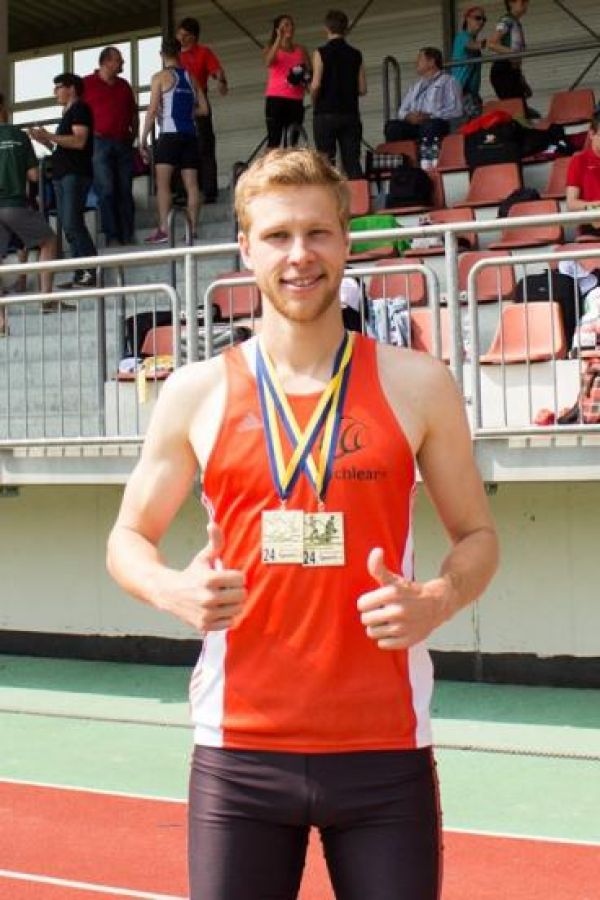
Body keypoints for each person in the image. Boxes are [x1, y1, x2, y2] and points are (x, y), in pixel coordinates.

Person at [107, 147, 499, 900]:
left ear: (347, 243)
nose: (300, 256)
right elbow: (127, 539)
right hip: (240, 756)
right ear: (245, 248)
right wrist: (170, 590)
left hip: (385, 752)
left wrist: (440, 599)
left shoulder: (419, 383)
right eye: (279, 236)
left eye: (318, 234)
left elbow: (478, 538)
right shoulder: (194, 393)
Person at [29, 73, 97, 289]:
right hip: (63, 175)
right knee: (68, 225)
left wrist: (49, 136)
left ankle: (89, 270)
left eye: (59, 87)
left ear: (72, 89)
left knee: (72, 223)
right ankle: (81, 273)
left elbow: (79, 141)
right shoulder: (68, 112)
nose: (55, 92)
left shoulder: (79, 109)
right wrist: (45, 141)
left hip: (74, 175)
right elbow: (63, 146)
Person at [140, 37, 208, 245]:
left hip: (169, 134)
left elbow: (152, 111)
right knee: (192, 185)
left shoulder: (160, 77)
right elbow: (204, 110)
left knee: (163, 184)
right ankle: (193, 229)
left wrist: (142, 139)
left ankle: (164, 229)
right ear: (180, 53)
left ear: (161, 55)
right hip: (190, 134)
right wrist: (187, 111)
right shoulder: (191, 77)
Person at [0, 93, 58, 330]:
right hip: (13, 204)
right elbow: (34, 175)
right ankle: (46, 299)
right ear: (2, 107)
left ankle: (1, 321)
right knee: (49, 241)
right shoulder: (17, 135)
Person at [83, 46, 138, 246]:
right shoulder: (86, 84)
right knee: (106, 189)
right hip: (98, 143)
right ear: (106, 62)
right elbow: (74, 111)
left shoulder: (124, 85)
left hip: (123, 142)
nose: (122, 63)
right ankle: (112, 236)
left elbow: (133, 113)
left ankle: (127, 234)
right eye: (119, 60)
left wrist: (134, 135)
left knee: (125, 189)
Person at [176, 16, 228, 204]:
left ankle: (209, 190)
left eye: (186, 36)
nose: (182, 39)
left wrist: (221, 80)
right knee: (181, 145)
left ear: (194, 37)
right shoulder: (175, 55)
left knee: (205, 144)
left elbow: (217, 71)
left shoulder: (203, 52)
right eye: (180, 35)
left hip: (199, 98)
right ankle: (183, 192)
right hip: (179, 100)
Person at [310, 9, 366, 179]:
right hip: (350, 113)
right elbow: (362, 88)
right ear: (346, 29)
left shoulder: (320, 53)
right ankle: (360, 202)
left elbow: (316, 84)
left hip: (325, 113)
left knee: (326, 163)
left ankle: (331, 203)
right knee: (352, 162)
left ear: (327, 28)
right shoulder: (356, 54)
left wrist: (315, 101)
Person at [384, 47, 463, 146]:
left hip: (436, 124)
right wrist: (408, 116)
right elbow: (402, 110)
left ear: (431, 62)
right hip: (415, 124)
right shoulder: (416, 86)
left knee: (429, 126)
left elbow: (456, 110)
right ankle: (399, 160)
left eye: (420, 59)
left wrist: (429, 116)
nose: (416, 62)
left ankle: (429, 160)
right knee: (392, 127)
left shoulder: (449, 81)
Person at [263, 14, 310, 149]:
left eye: (291, 24)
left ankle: (289, 168)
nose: (289, 27)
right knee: (274, 140)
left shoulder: (300, 49)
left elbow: (308, 72)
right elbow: (268, 62)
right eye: (285, 25)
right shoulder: (271, 48)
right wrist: (278, 38)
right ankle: (271, 169)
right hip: (276, 98)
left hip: (295, 98)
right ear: (277, 29)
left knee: (292, 140)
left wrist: (304, 81)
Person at [488, 0, 536, 115]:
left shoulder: (516, 23)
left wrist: (521, 78)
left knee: (521, 110)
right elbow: (492, 43)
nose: (525, 5)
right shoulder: (507, 20)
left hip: (513, 71)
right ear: (511, 3)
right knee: (516, 110)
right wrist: (513, 53)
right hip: (504, 70)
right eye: (522, 1)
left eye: (527, 2)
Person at [566, 114, 600, 238]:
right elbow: (571, 203)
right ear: (591, 134)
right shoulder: (579, 160)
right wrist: (596, 206)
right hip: (592, 224)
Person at [451, 6, 487, 120]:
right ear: (467, 19)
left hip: (471, 93)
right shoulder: (462, 37)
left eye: (484, 19)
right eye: (478, 18)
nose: (481, 22)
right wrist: (489, 43)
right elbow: (472, 45)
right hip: (462, 92)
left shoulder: (470, 39)